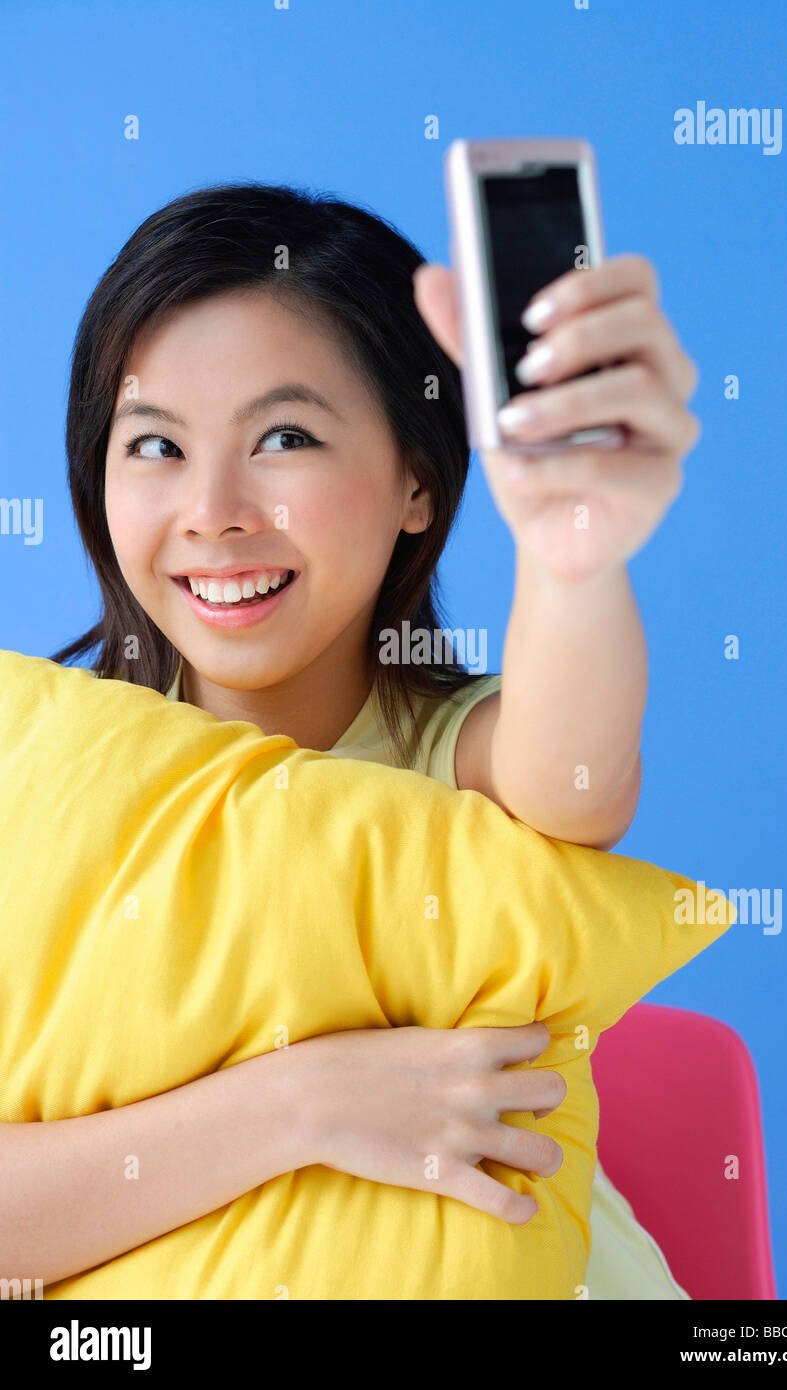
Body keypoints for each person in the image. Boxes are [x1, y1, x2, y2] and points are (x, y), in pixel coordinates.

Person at [5, 181, 699, 1298]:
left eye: (284, 436)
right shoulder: (37, 776)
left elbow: (570, 781)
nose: (214, 509)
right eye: (154, 445)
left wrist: (573, 551)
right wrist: (304, 1102)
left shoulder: (453, 757)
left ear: (416, 480)